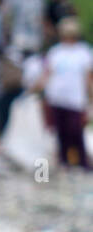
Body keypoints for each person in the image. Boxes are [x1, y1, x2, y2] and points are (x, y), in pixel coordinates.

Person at [42, 16, 93, 169]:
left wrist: (90, 95)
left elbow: (88, 77)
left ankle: (81, 161)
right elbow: (48, 73)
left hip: (75, 97)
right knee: (61, 131)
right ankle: (65, 161)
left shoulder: (83, 52)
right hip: (57, 96)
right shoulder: (55, 52)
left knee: (76, 130)